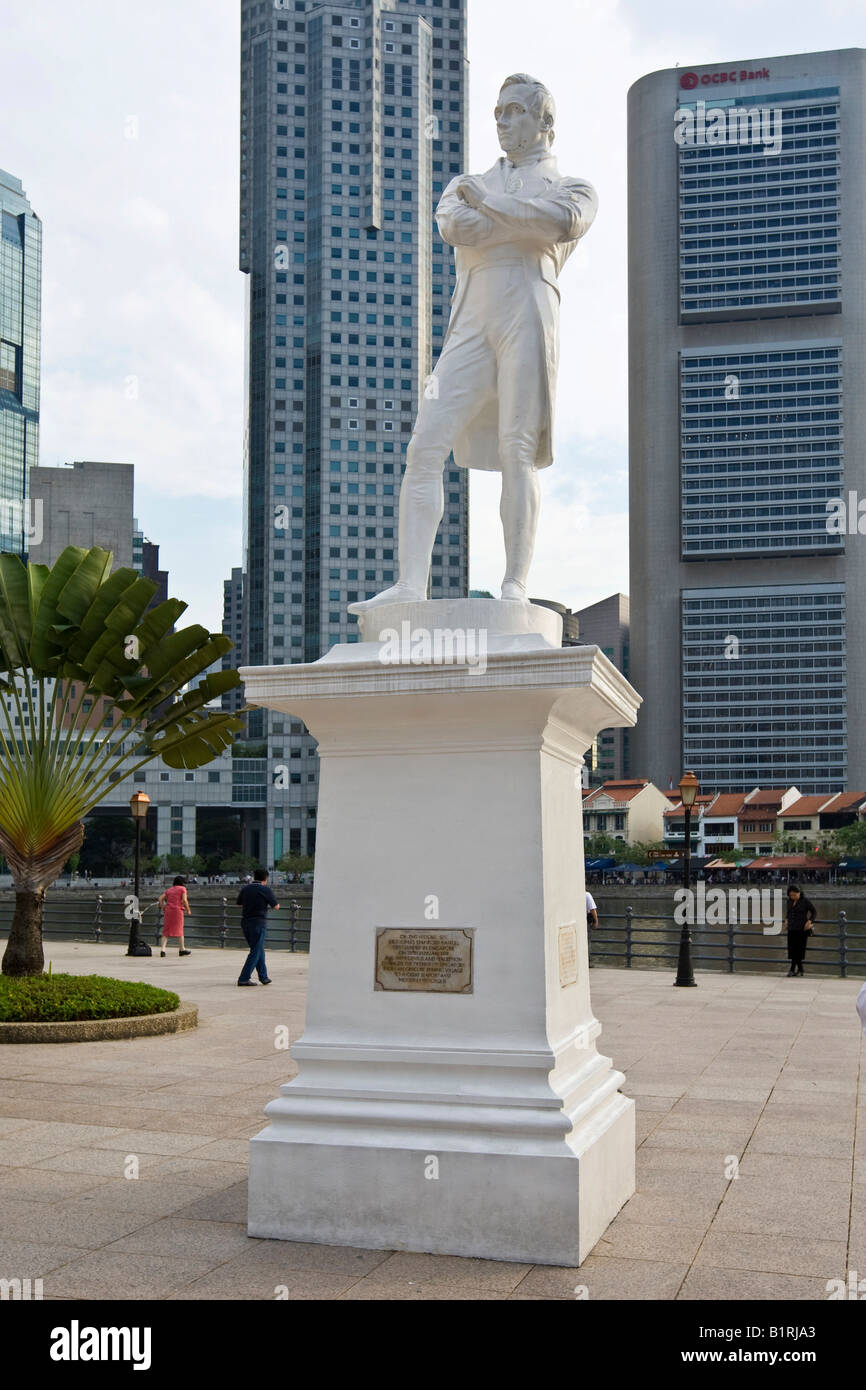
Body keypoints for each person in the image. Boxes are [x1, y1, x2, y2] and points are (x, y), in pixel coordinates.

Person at [349, 74, 596, 613]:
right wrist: (513, 219)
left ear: (544, 123)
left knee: (518, 450)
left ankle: (513, 585)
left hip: (528, 314)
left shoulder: (573, 188)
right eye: (499, 113)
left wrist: (491, 206)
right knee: (425, 444)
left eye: (514, 112)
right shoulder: (466, 182)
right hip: (470, 319)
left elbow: (563, 221)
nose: (503, 122)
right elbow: (456, 229)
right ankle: (411, 585)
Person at [236, 867, 279, 987]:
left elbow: (239, 904)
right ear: (266, 878)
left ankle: (263, 977)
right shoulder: (265, 889)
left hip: (245, 922)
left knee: (258, 949)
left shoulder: (245, 888)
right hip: (258, 923)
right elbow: (276, 906)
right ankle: (244, 978)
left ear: (254, 877)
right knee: (255, 951)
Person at [785, 883, 816, 977]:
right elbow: (789, 912)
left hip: (802, 928)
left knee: (798, 950)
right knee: (792, 949)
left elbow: (814, 912)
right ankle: (801, 969)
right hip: (791, 928)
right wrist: (786, 919)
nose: (793, 896)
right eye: (791, 895)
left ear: (799, 893)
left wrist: (810, 921)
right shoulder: (789, 901)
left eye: (794, 894)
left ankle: (792, 969)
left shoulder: (805, 901)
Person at [158, 876, 192, 958]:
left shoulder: (169, 890)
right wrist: (188, 909)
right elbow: (184, 900)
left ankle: (163, 950)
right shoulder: (182, 889)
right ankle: (182, 949)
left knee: (166, 930)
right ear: (182, 882)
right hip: (177, 911)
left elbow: (160, 898)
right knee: (180, 929)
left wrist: (162, 907)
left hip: (168, 911)